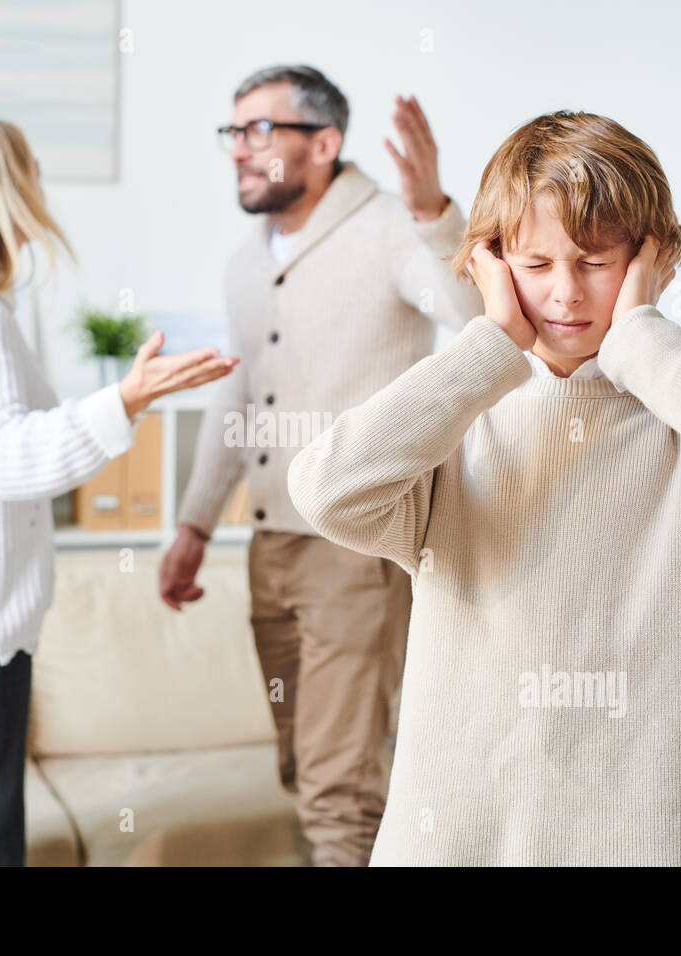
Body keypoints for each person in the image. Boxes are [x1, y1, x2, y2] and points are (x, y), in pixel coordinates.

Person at [287, 110, 681, 865]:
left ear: (654, 263)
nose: (564, 293)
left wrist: (645, 339)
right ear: (490, 263)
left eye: (595, 263)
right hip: (457, 841)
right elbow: (326, 490)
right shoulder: (453, 423)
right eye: (535, 263)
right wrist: (489, 346)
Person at [0, 117, 237, 866]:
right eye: (30, 167)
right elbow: (9, 458)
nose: (41, 181)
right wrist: (124, 401)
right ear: (5, 189)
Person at [158, 65, 484, 866]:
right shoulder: (247, 260)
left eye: (260, 131)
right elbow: (238, 396)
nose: (239, 150)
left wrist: (436, 212)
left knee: (339, 787)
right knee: (302, 766)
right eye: (233, 132)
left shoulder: (389, 227)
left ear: (325, 143)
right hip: (271, 546)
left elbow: (476, 317)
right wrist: (195, 524)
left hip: (355, 548)